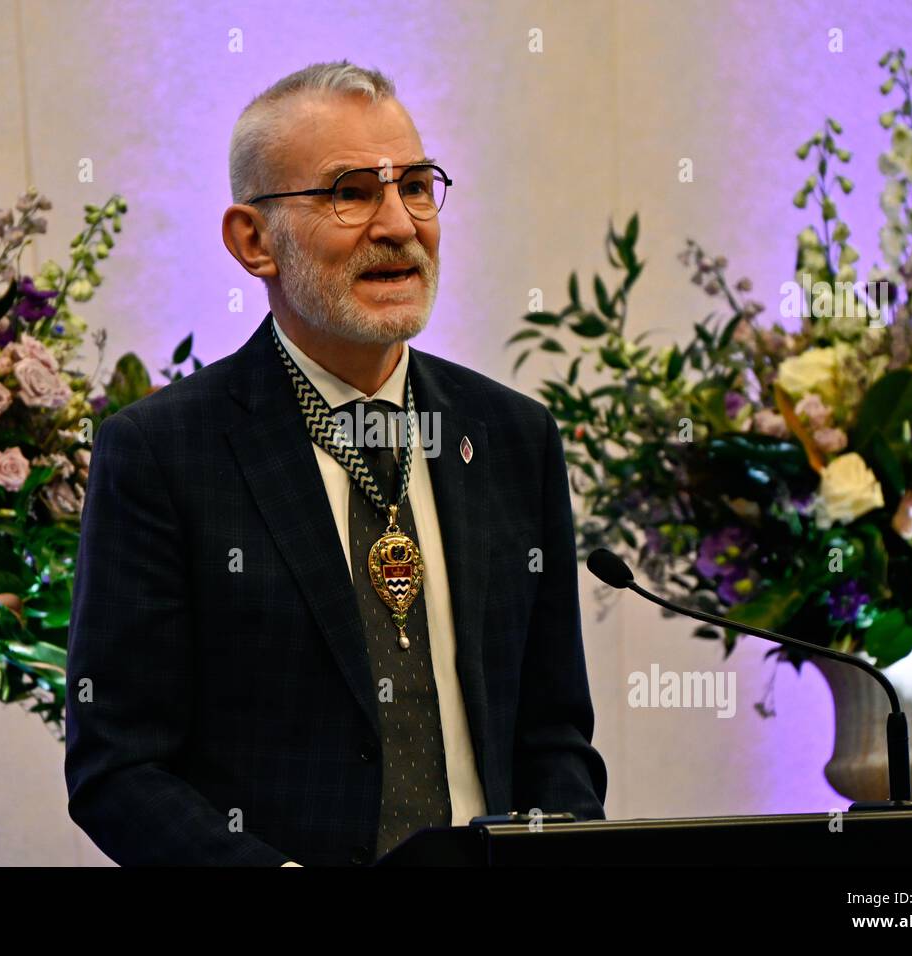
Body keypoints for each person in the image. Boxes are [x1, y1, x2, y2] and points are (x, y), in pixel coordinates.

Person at [64, 60, 607, 866]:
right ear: (254, 242)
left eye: (416, 186)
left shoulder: (512, 437)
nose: (398, 224)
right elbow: (118, 767)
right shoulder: (163, 454)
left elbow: (555, 734)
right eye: (351, 192)